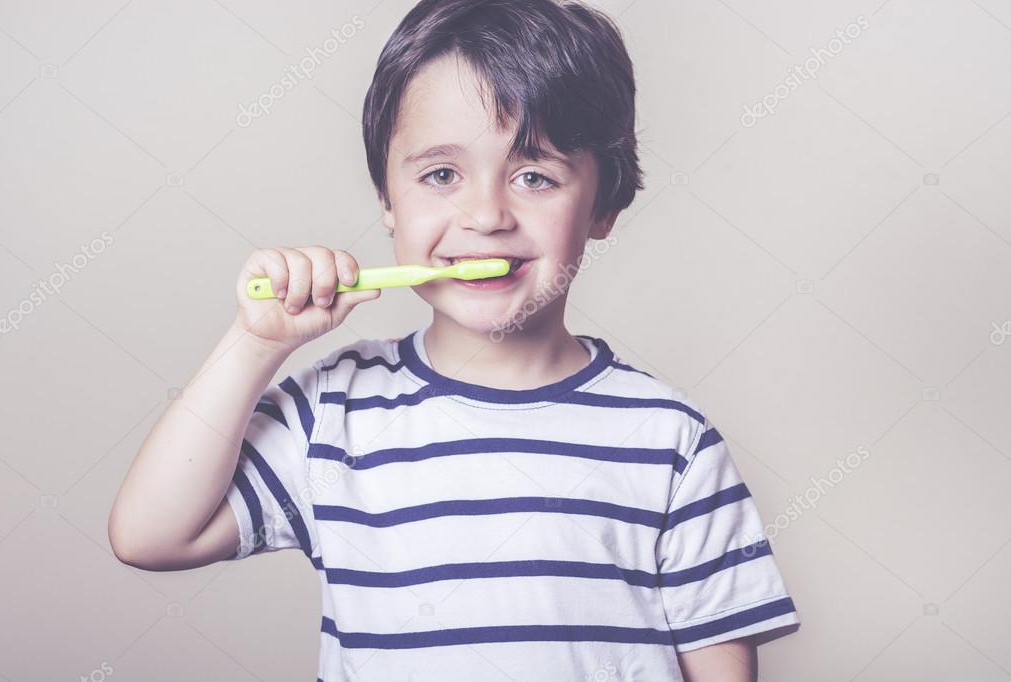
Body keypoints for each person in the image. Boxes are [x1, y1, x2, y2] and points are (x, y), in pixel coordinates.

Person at [108, 1, 801, 680]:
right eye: (440, 174)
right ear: (386, 196)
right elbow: (151, 536)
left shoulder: (670, 439)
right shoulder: (336, 411)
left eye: (535, 175)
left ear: (603, 205)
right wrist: (255, 343)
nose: (485, 215)